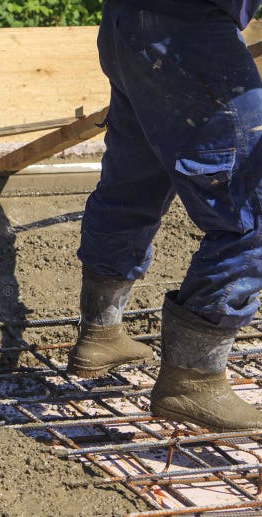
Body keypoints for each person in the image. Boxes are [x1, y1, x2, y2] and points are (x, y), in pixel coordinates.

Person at [67, 0, 262, 431]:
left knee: (134, 183)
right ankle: (194, 378)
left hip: (131, 21)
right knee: (252, 212)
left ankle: (100, 332)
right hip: (189, 33)